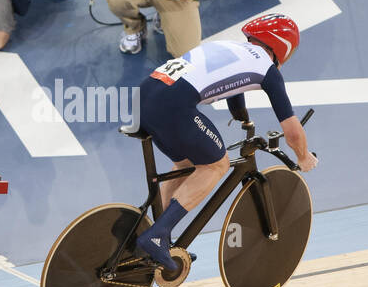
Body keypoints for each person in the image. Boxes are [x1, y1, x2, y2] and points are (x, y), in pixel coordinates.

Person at [133, 14, 317, 271]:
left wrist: (244, 121)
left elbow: (235, 93)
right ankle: (156, 234)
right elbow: (293, 132)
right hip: (172, 106)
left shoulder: (235, 48)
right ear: (282, 46)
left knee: (186, 164)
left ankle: (157, 233)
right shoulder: (268, 70)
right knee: (216, 165)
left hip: (144, 95)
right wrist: (303, 156)